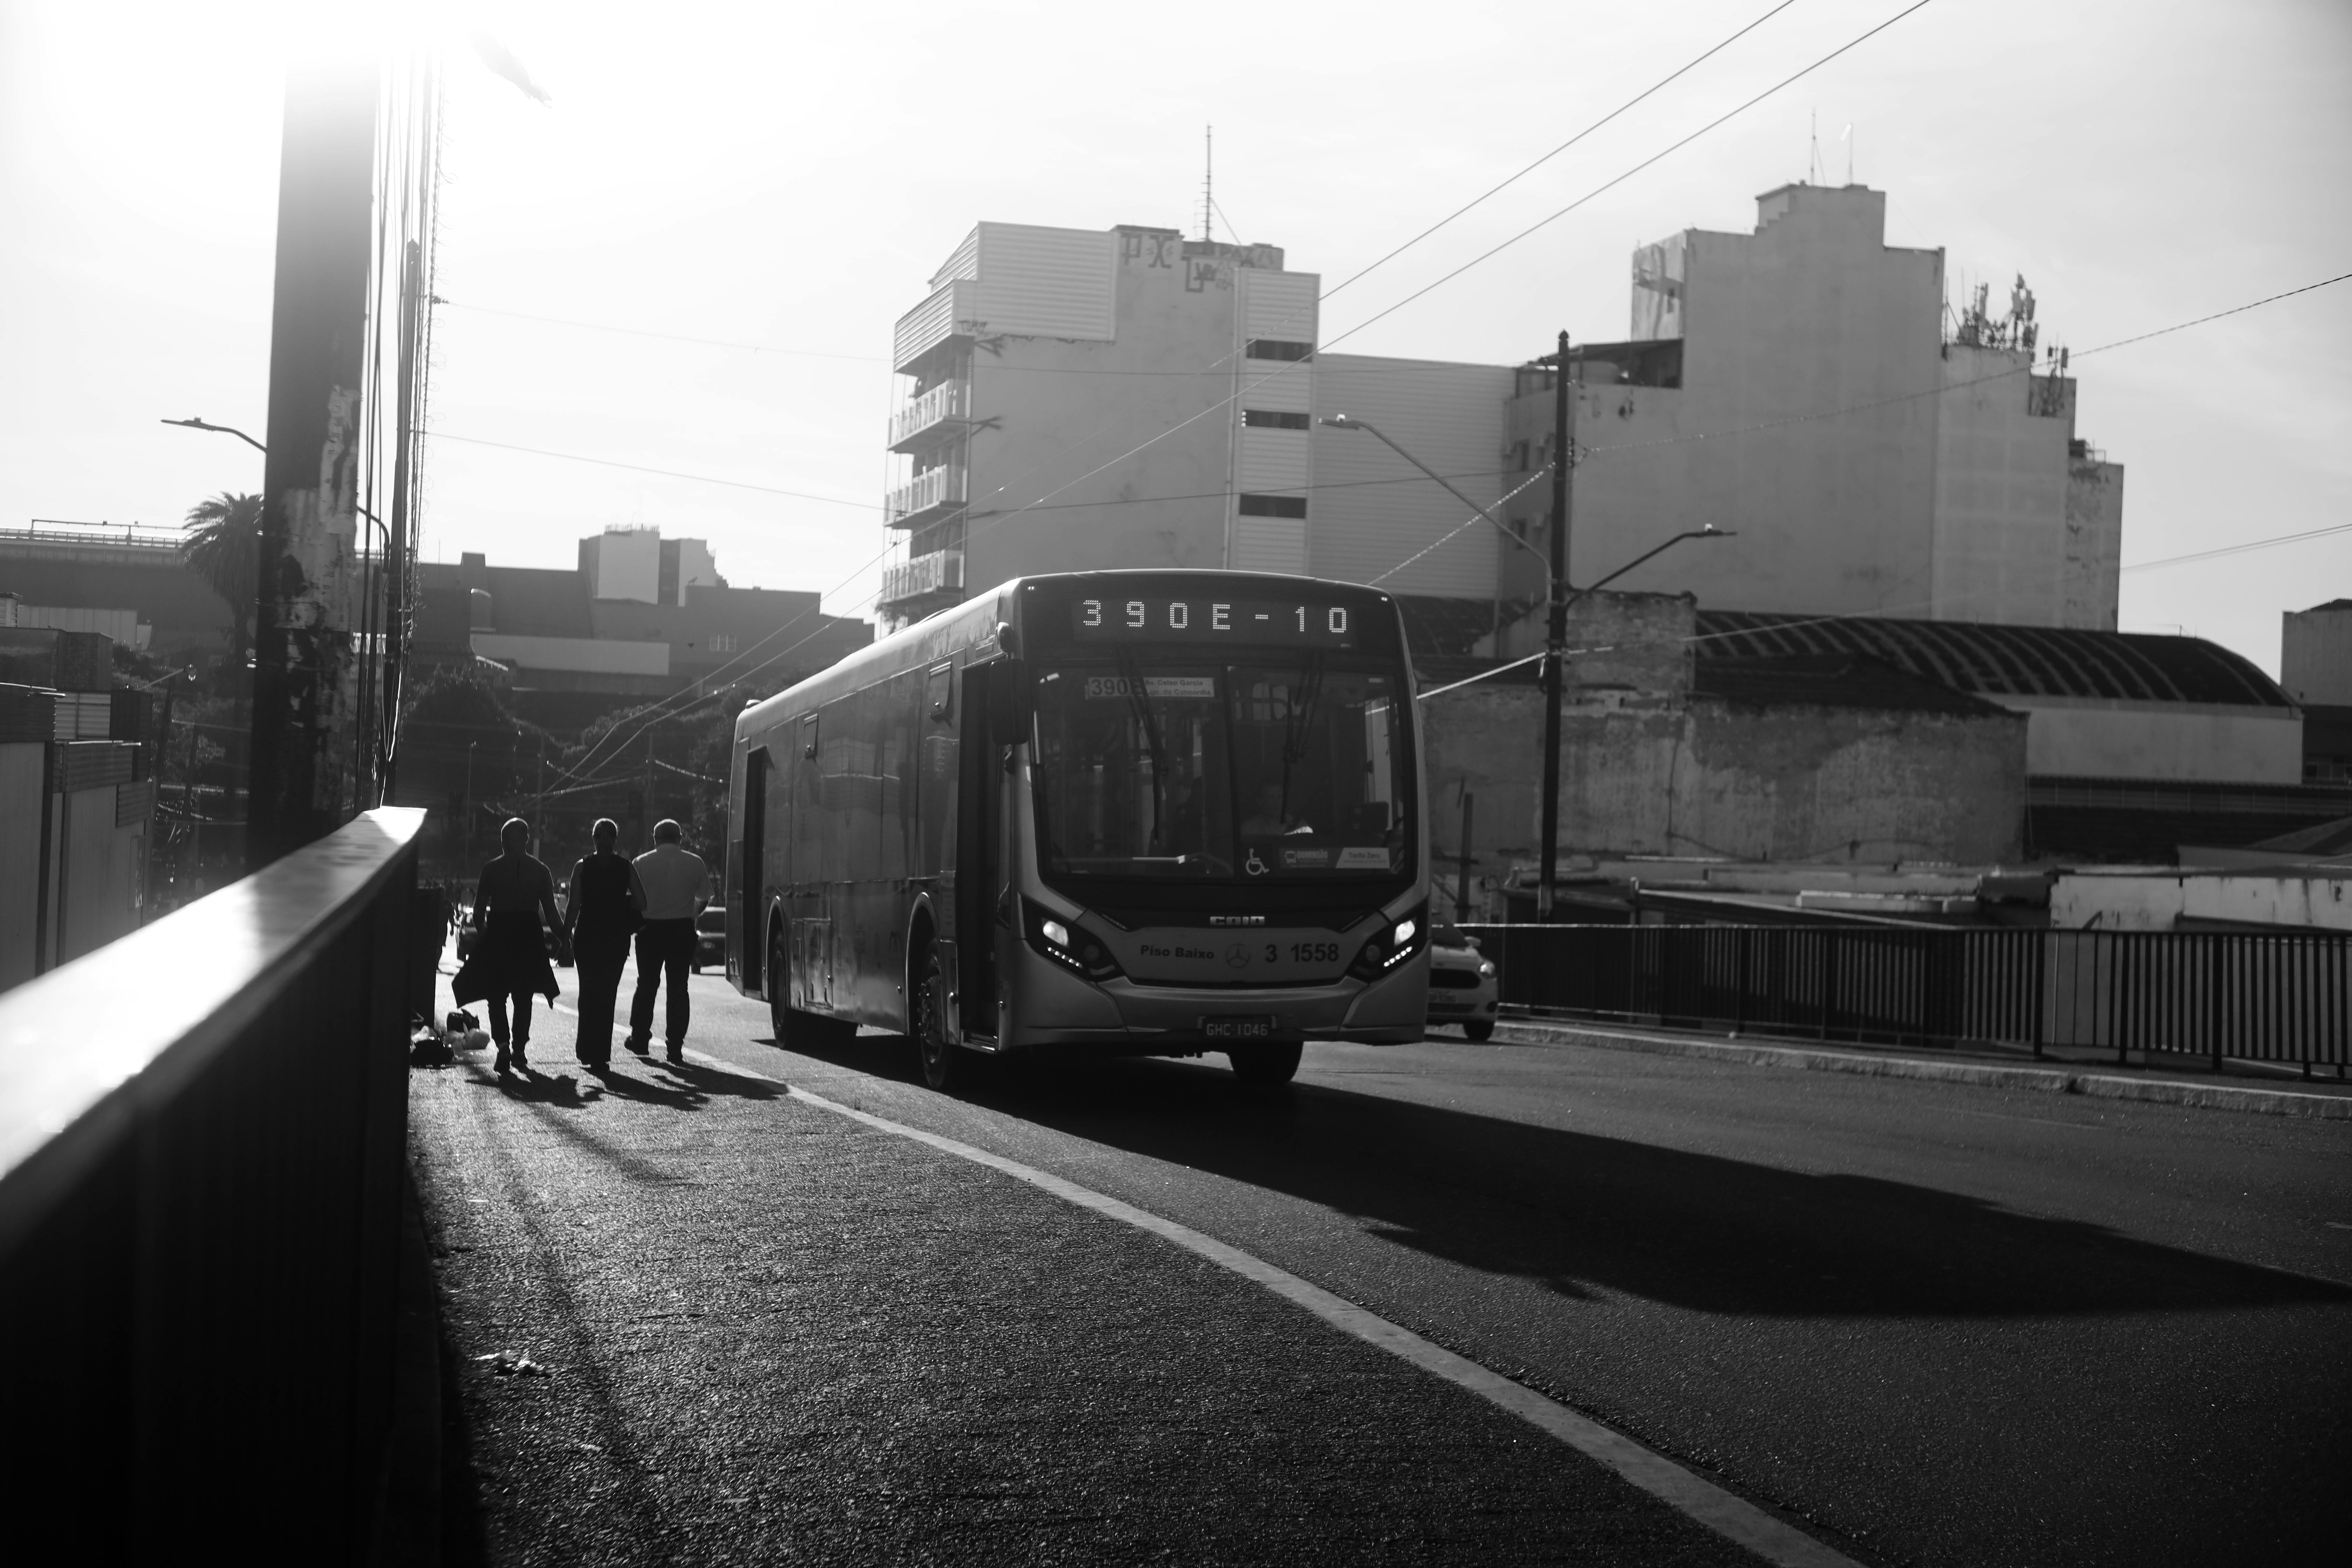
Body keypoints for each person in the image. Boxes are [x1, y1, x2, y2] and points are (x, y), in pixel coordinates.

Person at [467, 818, 565, 1074]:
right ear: (527, 840)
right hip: (528, 935)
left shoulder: (491, 869)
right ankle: (519, 1050)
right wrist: (567, 938)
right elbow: (552, 914)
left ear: (503, 841)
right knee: (523, 997)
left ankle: (503, 1047)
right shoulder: (541, 870)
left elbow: (478, 913)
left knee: (497, 997)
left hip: (500, 932)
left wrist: (486, 936)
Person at [626, 819, 708, 1063]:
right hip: (682, 930)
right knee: (679, 988)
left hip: (650, 930)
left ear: (655, 839)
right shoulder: (695, 862)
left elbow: (631, 899)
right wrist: (692, 914)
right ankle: (675, 1046)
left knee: (647, 984)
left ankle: (640, 1038)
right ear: (680, 839)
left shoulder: (641, 863)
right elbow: (704, 898)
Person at [564, 818, 641, 1071]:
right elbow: (642, 903)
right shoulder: (626, 867)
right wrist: (622, 905)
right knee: (608, 995)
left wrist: (565, 936)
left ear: (594, 840)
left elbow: (573, 906)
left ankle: (587, 1050)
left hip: (587, 936)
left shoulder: (582, 867)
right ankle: (600, 1055)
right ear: (616, 840)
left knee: (588, 993)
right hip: (616, 938)